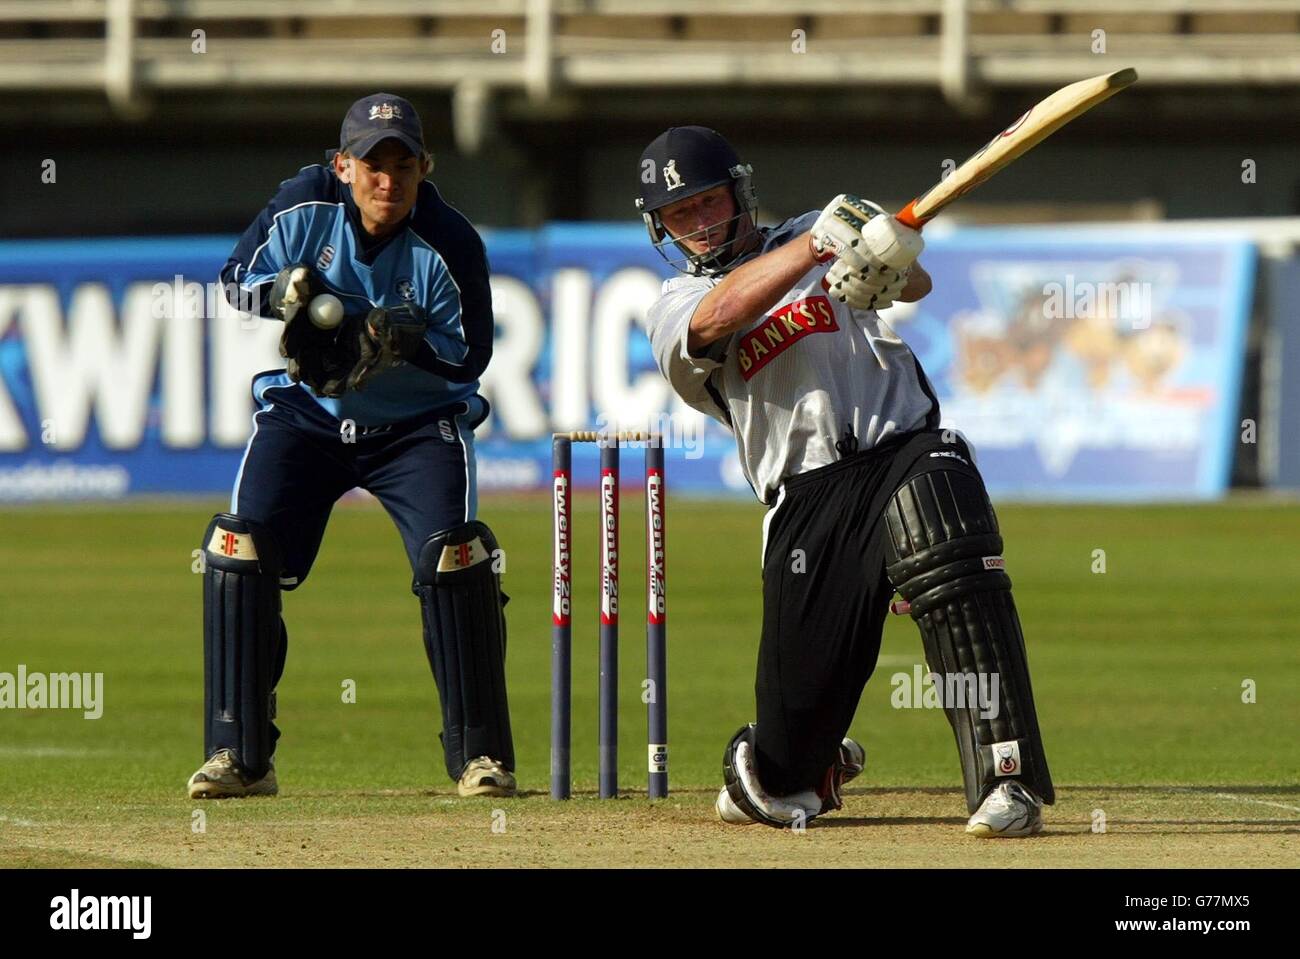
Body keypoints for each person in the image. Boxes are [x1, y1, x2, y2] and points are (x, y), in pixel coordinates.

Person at [637, 126, 1054, 836]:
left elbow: (916, 282)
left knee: (947, 537)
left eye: (710, 202)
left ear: (740, 194)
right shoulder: (672, 302)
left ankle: (1004, 776)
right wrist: (819, 246)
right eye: (682, 214)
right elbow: (719, 317)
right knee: (780, 774)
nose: (702, 223)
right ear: (662, 229)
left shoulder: (812, 228)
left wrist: (881, 257)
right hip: (806, 500)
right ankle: (805, 760)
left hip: (901, 447)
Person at [188, 93, 515, 800]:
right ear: (342, 166)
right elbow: (233, 285)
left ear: (425, 168)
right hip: (307, 416)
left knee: (454, 559)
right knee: (238, 550)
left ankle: (481, 757)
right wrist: (285, 293)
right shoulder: (303, 204)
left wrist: (407, 341)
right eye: (371, 165)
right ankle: (238, 754)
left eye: (403, 166)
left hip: (416, 427)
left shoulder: (451, 243)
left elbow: (472, 359)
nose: (387, 182)